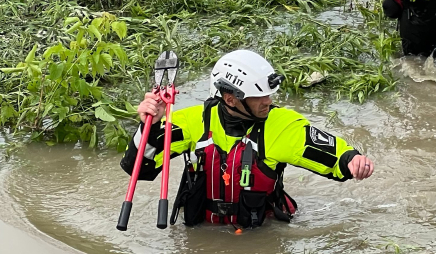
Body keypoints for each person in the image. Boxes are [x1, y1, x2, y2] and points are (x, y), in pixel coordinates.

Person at [121, 50, 373, 228]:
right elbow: (137, 169)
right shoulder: (191, 122)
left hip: (261, 229)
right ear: (230, 98)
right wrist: (149, 126)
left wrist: (352, 160)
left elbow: (331, 153)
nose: (269, 102)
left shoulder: (281, 125)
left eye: (269, 94)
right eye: (259, 97)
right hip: (202, 228)